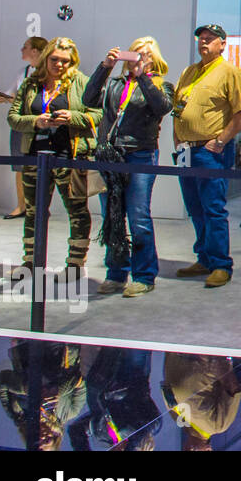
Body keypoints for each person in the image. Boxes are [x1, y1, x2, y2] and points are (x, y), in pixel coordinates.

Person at [84, 38, 175, 297]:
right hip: (110, 156)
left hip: (140, 155)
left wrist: (143, 77)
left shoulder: (161, 85)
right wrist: (105, 67)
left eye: (146, 55)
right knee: (112, 215)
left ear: (154, 60)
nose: (140, 57)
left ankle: (144, 275)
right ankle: (116, 273)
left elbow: (161, 108)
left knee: (139, 216)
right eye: (137, 53)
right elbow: (88, 98)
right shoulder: (114, 84)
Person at [7, 37, 101, 281]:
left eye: (65, 61)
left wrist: (72, 117)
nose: (59, 65)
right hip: (35, 156)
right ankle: (30, 262)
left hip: (71, 155)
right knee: (34, 211)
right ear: (46, 57)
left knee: (77, 210)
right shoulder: (31, 83)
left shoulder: (81, 82)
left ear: (73, 61)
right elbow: (13, 118)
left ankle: (75, 264)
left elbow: (97, 114)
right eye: (55, 59)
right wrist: (36, 121)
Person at [172, 24, 241, 289]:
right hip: (185, 149)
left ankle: (220, 264)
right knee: (195, 207)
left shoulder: (230, 72)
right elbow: (177, 108)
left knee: (213, 208)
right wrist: (177, 139)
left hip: (210, 151)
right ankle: (204, 258)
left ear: (222, 44)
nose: (203, 43)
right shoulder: (189, 72)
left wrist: (220, 140)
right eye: (201, 39)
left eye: (210, 39)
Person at [0, 36, 47, 219]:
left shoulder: (47, 72)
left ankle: (39, 206)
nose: (21, 50)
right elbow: (12, 95)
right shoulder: (24, 72)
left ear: (35, 50)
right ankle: (22, 205)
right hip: (22, 125)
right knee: (19, 166)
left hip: (41, 126)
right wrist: (6, 98)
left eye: (25, 47)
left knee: (42, 167)